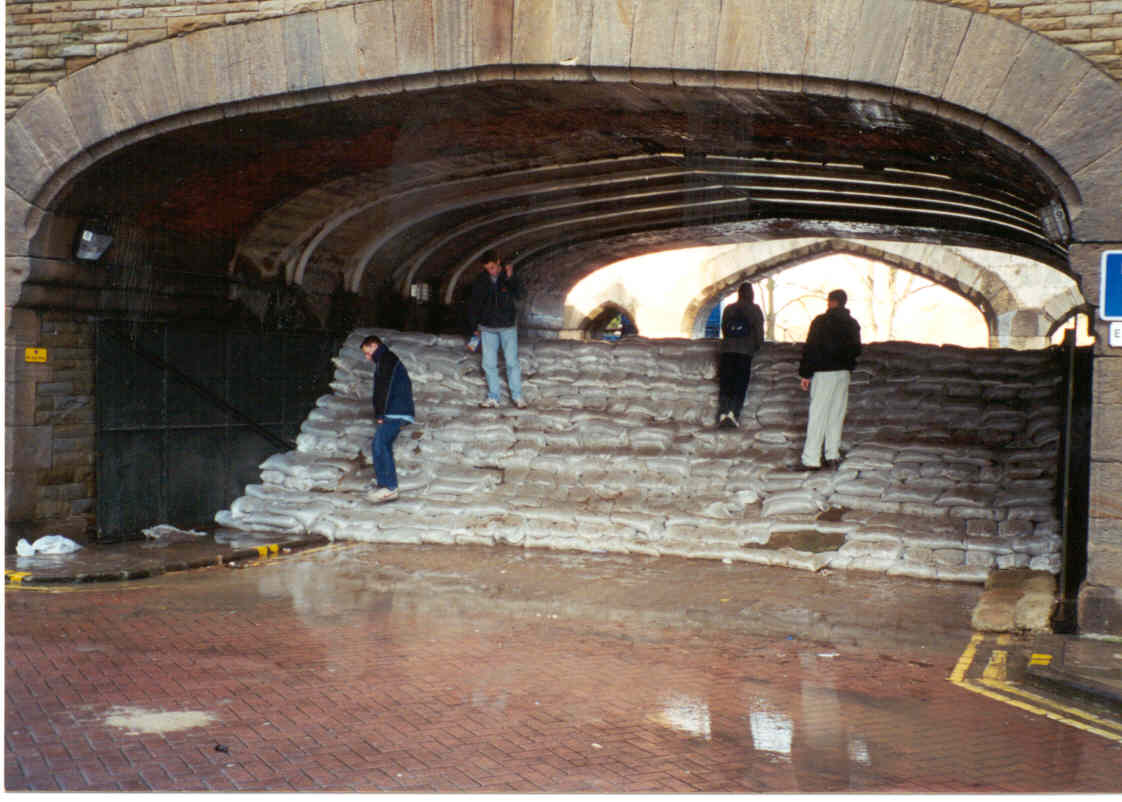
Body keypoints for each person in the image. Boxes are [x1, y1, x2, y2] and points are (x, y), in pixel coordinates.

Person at [794, 289, 861, 471]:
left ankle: (811, 459)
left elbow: (811, 348)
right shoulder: (852, 324)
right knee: (836, 415)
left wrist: (805, 374)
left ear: (831, 302)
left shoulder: (821, 322)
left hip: (824, 373)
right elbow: (857, 350)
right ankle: (832, 455)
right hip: (843, 374)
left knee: (818, 415)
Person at [468, 250, 527, 408]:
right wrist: (474, 327)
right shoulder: (481, 280)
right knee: (488, 364)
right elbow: (474, 304)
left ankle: (517, 396)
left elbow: (520, 295)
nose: (490, 271)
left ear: (499, 262)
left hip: (507, 326)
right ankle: (494, 396)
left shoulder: (509, 277)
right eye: (487, 268)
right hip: (487, 327)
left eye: (493, 267)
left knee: (512, 362)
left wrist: (510, 277)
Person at [362, 334, 414, 503]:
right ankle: (385, 484)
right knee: (383, 445)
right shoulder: (386, 359)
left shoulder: (387, 360)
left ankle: (390, 487)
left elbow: (384, 388)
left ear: (374, 345)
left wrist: (379, 413)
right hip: (396, 410)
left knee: (379, 444)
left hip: (395, 411)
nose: (367, 357)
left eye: (367, 352)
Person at [717, 283, 765, 428]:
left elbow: (724, 329)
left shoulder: (728, 309)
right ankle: (733, 414)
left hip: (727, 351)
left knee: (726, 383)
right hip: (745, 352)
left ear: (739, 294)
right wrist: (756, 347)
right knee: (740, 383)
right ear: (751, 294)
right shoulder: (755, 309)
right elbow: (759, 332)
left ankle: (723, 413)